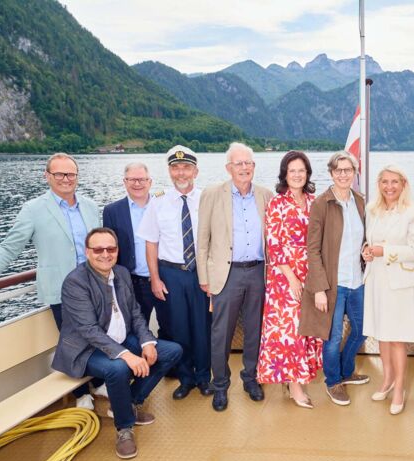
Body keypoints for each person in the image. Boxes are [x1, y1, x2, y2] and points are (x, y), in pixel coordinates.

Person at [0, 153, 101, 408]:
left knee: (98, 334)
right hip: (62, 289)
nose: (66, 179)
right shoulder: (33, 210)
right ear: (47, 176)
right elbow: (10, 247)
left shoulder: (89, 206)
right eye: (59, 174)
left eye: (71, 174)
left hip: (95, 285)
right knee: (70, 341)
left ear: (77, 176)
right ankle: (81, 393)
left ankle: (98, 383)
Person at [52, 227, 182, 459]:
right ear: (87, 252)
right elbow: (89, 330)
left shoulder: (121, 273)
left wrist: (146, 342)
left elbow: (135, 313)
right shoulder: (75, 282)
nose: (105, 254)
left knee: (170, 351)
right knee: (118, 368)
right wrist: (126, 354)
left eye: (111, 249)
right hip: (86, 350)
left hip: (119, 339)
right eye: (98, 249)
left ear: (117, 251)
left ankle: (128, 403)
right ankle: (124, 428)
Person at [196, 142, 274, 412]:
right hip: (225, 274)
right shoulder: (212, 194)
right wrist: (204, 277)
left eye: (248, 163)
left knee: (255, 330)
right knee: (221, 333)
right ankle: (220, 385)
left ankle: (251, 379)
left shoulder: (266, 195)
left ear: (254, 166)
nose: (244, 168)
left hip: (258, 272)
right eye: (238, 163)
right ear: (228, 167)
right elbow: (202, 240)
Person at [138, 145, 211, 400]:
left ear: (195, 171)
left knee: (203, 328)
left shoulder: (207, 199)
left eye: (186, 167)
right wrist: (155, 278)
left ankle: (204, 377)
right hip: (171, 274)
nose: (181, 173)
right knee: (178, 329)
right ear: (169, 171)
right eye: (176, 168)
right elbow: (151, 243)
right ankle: (185, 378)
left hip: (201, 273)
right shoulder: (158, 203)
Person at [299, 151, 369, 407]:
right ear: (331, 173)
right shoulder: (321, 204)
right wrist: (319, 288)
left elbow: (363, 239)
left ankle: (346, 371)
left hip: (357, 281)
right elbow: (312, 249)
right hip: (333, 284)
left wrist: (367, 250)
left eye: (348, 170)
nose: (343, 174)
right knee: (333, 336)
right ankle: (333, 381)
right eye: (338, 170)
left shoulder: (360, 201)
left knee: (362, 330)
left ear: (354, 173)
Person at [257, 152, 323, 408]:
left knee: (306, 327)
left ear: (307, 174)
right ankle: (295, 386)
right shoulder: (277, 203)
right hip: (285, 276)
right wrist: (292, 279)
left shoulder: (314, 201)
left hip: (311, 271)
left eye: (301, 170)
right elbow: (273, 244)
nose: (297, 175)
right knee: (291, 331)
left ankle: (294, 377)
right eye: (292, 170)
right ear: (285, 174)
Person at [362, 165, 414, 415]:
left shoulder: (412, 211)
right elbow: (370, 242)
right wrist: (367, 252)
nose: (389, 187)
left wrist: (385, 251)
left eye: (394, 182)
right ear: (379, 184)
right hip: (376, 279)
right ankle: (387, 380)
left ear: (403, 184)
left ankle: (399, 389)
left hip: (399, 283)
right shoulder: (372, 210)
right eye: (385, 182)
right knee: (383, 335)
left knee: (397, 338)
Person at [102, 163, 168, 336]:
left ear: (150, 182)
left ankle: (169, 354)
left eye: (142, 179)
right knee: (135, 329)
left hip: (164, 279)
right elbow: (109, 249)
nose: (137, 184)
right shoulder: (112, 211)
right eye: (132, 179)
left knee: (171, 326)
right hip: (132, 282)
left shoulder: (164, 205)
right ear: (124, 182)